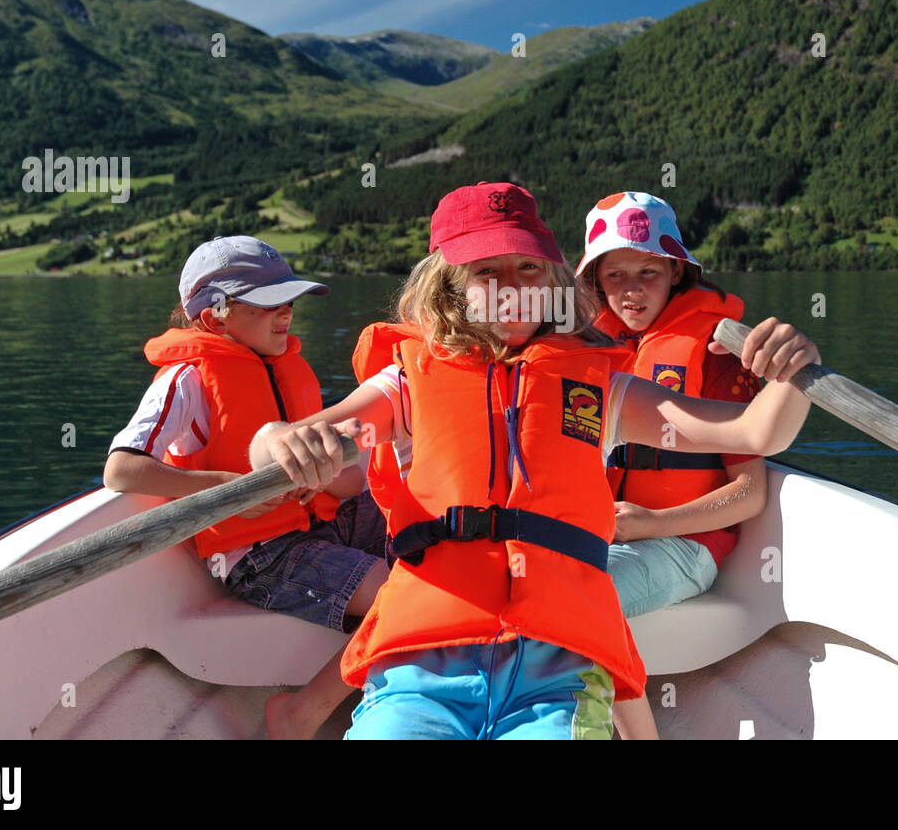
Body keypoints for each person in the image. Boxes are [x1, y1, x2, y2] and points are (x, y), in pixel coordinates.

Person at [251, 182, 820, 740]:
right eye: (486, 272)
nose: (513, 289)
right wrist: (276, 438)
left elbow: (756, 431)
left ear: (552, 281)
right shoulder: (403, 383)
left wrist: (792, 372)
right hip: (424, 666)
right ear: (449, 287)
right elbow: (298, 439)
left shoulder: (600, 387)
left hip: (558, 669)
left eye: (528, 269)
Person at [101, 235, 387, 739]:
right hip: (259, 556)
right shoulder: (187, 379)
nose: (287, 314)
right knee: (403, 593)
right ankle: (302, 713)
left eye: (290, 301)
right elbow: (122, 470)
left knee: (443, 542)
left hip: (318, 520)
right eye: (268, 305)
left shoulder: (283, 365)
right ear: (214, 318)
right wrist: (223, 485)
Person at [578, 191, 771, 739]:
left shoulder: (717, 360)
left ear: (676, 274)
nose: (631, 290)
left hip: (687, 547)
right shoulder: (591, 352)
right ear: (594, 282)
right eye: (614, 275)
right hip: (602, 537)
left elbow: (751, 492)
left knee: (575, 604)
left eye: (649, 272)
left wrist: (650, 523)